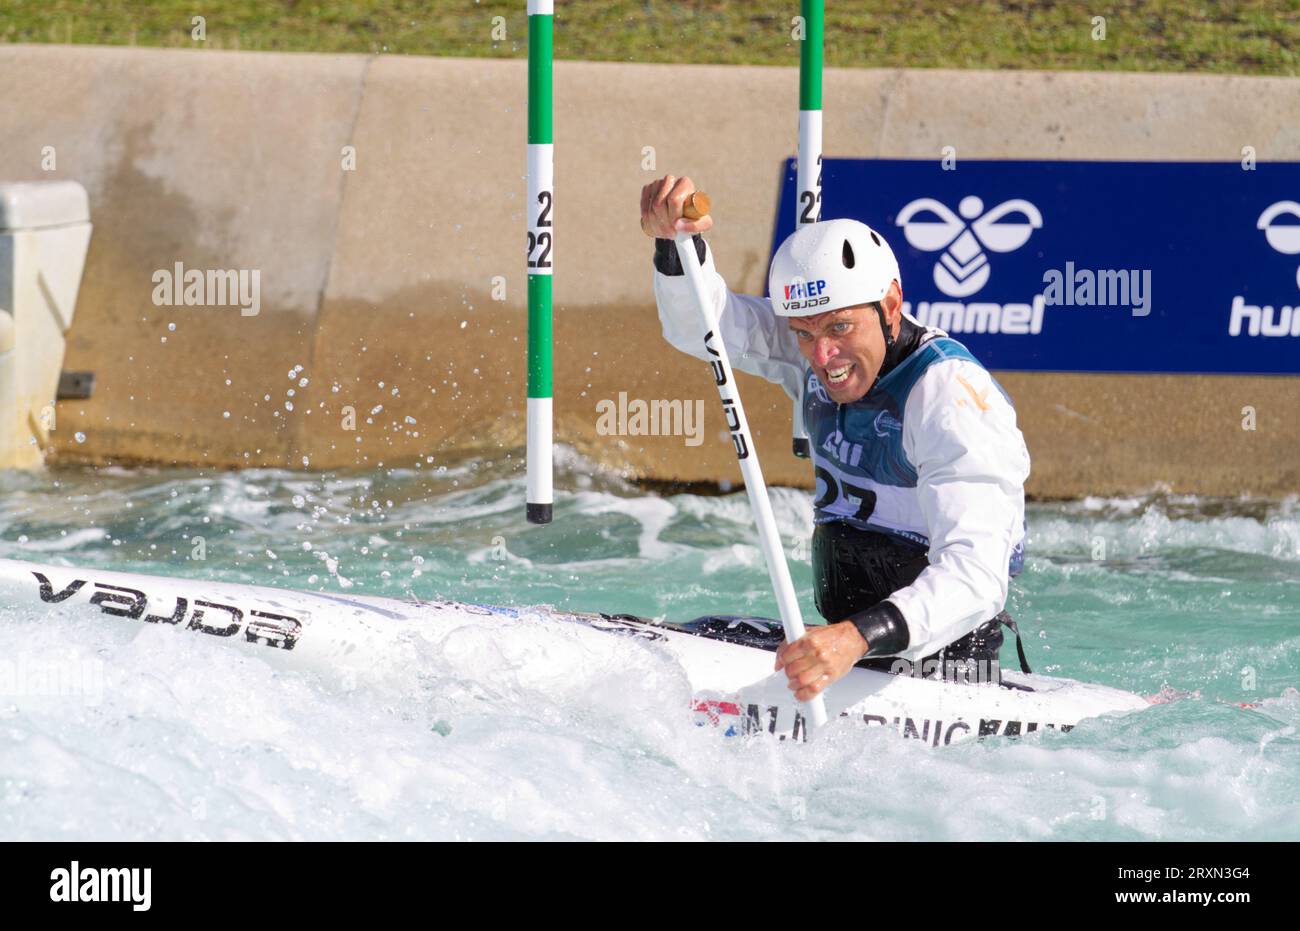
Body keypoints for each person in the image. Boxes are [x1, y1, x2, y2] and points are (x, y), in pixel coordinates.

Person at [639, 174, 1032, 703]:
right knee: (689, 637)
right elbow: (707, 329)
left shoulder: (950, 396)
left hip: (940, 669)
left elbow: (977, 575)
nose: (823, 358)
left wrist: (856, 638)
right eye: (803, 333)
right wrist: (675, 243)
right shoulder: (819, 347)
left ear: (891, 305)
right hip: (849, 648)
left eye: (839, 329)